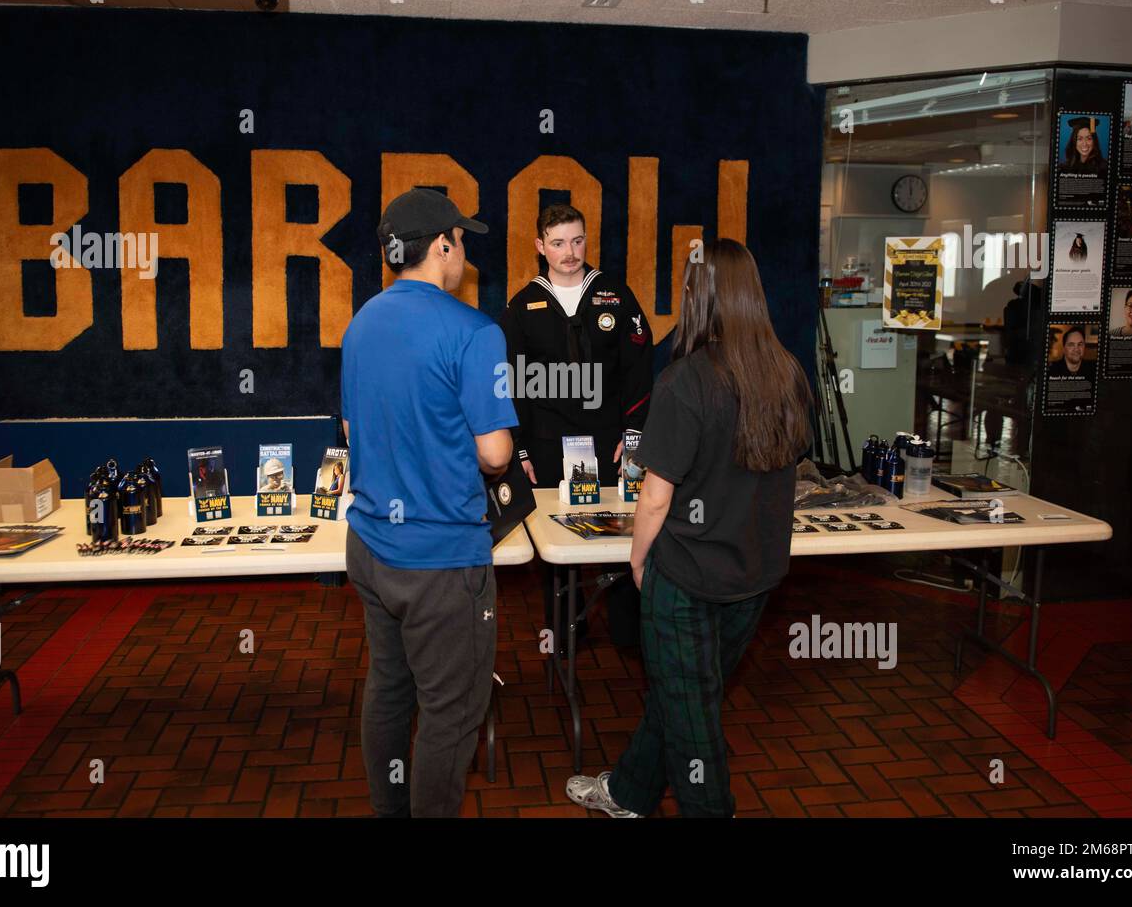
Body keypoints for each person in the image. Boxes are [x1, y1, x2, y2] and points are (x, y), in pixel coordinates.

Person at [565, 239, 812, 818]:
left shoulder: (684, 380)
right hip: (755, 577)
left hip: (687, 580)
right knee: (685, 698)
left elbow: (654, 498)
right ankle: (630, 793)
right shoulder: (788, 372)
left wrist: (637, 559)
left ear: (698, 297)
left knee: (693, 713)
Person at [340, 188, 517, 818]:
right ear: (441, 245)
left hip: (370, 548)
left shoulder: (361, 323)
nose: (464, 251)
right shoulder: (474, 331)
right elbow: (495, 454)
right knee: (451, 713)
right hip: (440, 561)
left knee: (390, 689)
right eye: (461, 239)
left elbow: (354, 431)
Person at [501, 203, 653, 647]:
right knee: (556, 544)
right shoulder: (522, 305)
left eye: (577, 240)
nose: (569, 252)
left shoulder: (615, 296)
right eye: (558, 243)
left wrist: (634, 431)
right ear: (540, 246)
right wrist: (519, 448)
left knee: (620, 535)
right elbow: (511, 382)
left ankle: (628, 631)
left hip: (609, 443)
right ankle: (567, 631)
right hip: (547, 444)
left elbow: (639, 367)